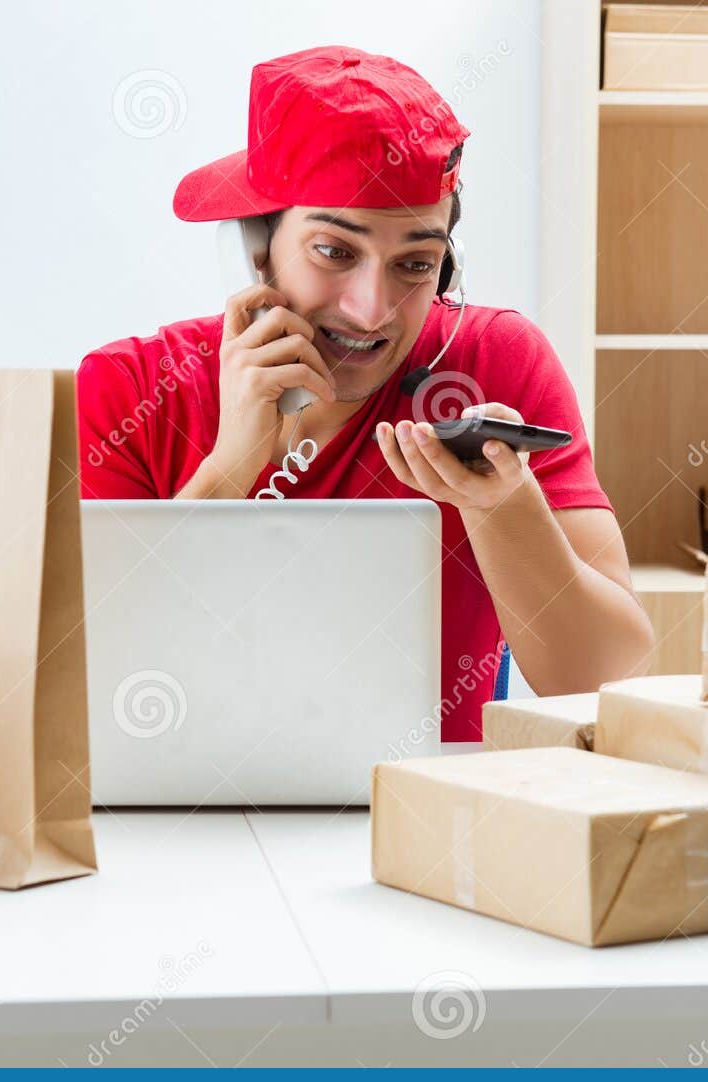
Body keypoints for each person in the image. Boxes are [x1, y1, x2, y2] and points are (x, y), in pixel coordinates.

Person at [78, 45, 654, 741]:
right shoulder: (129, 388)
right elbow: (88, 674)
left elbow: (603, 678)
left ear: (448, 266)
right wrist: (231, 467)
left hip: (421, 812)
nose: (372, 308)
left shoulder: (492, 364)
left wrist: (505, 506)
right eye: (334, 251)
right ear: (258, 248)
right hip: (175, 824)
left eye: (416, 263)